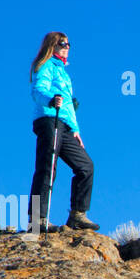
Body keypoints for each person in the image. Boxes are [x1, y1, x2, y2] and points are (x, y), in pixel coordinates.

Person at [28, 32, 98, 232]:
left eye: (69, 44)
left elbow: (68, 105)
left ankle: (78, 214)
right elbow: (37, 90)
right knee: (47, 166)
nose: (67, 46)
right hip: (49, 119)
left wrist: (75, 130)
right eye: (62, 43)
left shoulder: (63, 73)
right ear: (52, 45)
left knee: (86, 166)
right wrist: (51, 98)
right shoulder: (46, 66)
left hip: (65, 125)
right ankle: (37, 220)